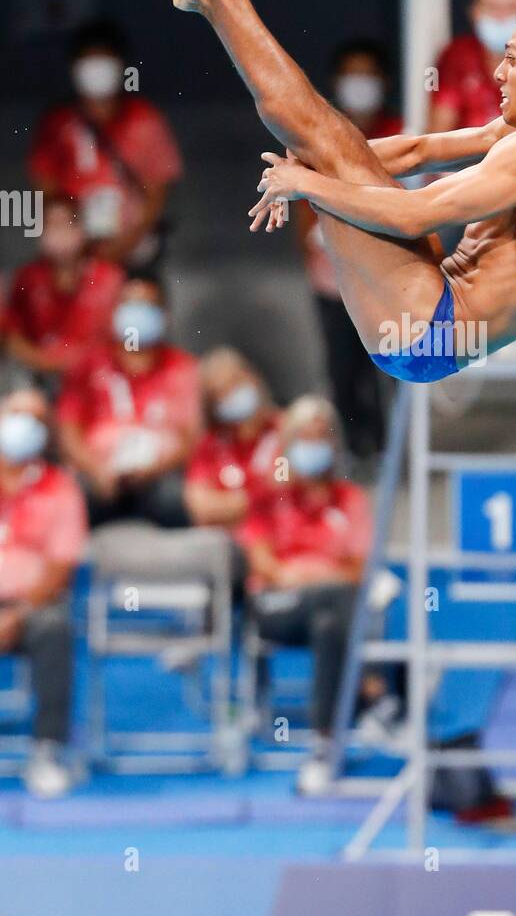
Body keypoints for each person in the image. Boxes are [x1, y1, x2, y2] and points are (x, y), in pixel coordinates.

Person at [159, 0, 516, 385]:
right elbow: (420, 150)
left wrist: (309, 183)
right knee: (323, 138)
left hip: (431, 328)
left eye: (511, 60)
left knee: (318, 128)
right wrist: (313, 166)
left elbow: (414, 214)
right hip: (429, 311)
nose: (499, 72)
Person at [238, 395, 373, 794]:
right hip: (276, 605)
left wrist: (316, 576)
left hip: (328, 607)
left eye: (321, 437)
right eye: (304, 437)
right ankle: (376, 692)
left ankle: (324, 745)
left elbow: (361, 567)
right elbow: (264, 565)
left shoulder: (351, 501)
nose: (313, 446)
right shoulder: (268, 498)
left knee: (332, 623)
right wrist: (317, 577)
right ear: (288, 443)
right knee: (337, 601)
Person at [293, 40, 395, 461]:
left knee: (388, 368)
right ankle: (355, 447)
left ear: (383, 82)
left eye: (367, 75)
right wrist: (313, 238)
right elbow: (301, 202)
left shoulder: (399, 132)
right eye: (351, 75)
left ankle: (392, 446)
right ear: (337, 82)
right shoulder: (319, 136)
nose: (360, 85)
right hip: (333, 280)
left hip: (387, 283)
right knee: (342, 367)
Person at [28, 18, 183, 271]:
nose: (96, 70)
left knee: (137, 301)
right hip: (74, 250)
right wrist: (72, 239)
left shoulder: (144, 120)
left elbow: (157, 193)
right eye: (89, 61)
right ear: (74, 68)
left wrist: (123, 245)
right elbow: (45, 191)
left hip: (134, 247)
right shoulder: (57, 123)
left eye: (104, 60)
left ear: (121, 65)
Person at [56, 275, 202, 526]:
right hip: (98, 473)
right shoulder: (89, 364)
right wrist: (95, 470)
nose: (136, 314)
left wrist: (153, 469)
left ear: (164, 315)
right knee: (72, 497)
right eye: (129, 305)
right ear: (114, 312)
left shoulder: (183, 368)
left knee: (173, 498)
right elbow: (68, 430)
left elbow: (193, 435)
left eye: (145, 306)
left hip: (159, 475)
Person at [0, 388, 87, 797]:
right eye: (18, 414)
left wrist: (15, 614)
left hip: (31, 604)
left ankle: (48, 751)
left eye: (36, 419)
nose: (24, 426)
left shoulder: (60, 487)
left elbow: (60, 569)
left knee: (55, 629)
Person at [2, 196, 124, 381]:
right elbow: (11, 336)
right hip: (39, 374)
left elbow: (121, 339)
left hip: (96, 376)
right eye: (51, 224)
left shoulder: (108, 278)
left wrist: (81, 366)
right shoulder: (28, 278)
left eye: (66, 223)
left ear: (81, 229)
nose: (59, 232)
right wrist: (46, 363)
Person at [184, 347, 281, 534]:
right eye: (221, 392)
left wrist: (230, 505)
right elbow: (201, 508)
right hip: (226, 544)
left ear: (252, 378)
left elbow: (287, 497)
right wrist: (257, 498)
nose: (231, 395)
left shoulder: (285, 430)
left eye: (235, 383)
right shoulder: (210, 445)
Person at [429, 0, 516, 132]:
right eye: (493, 7)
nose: (501, 17)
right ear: (475, 12)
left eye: (511, 8)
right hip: (469, 157)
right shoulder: (456, 56)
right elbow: (438, 133)